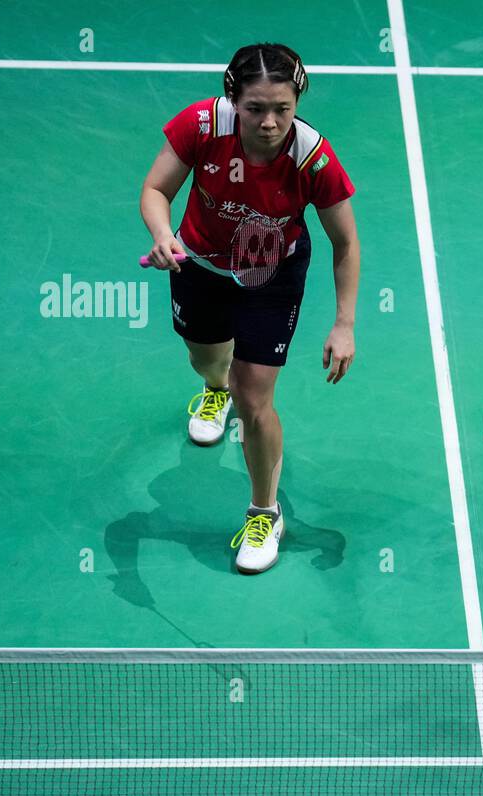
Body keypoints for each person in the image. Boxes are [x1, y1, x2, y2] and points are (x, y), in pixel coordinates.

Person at [139, 42, 360, 574]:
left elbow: (345, 243)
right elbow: (155, 188)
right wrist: (163, 235)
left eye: (282, 108)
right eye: (256, 108)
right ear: (233, 97)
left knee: (255, 396)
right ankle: (214, 390)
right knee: (206, 360)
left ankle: (264, 512)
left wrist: (344, 324)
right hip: (199, 265)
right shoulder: (201, 126)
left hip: (273, 276)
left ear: (297, 100)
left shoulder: (313, 157)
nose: (269, 122)